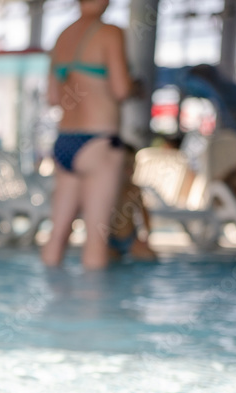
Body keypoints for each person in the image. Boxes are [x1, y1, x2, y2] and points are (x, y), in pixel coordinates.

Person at [41, 0, 133, 270]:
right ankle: (95, 311)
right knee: (96, 240)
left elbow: (53, 98)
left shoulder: (62, 35)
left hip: (65, 141)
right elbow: (121, 90)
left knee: (56, 236)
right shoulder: (110, 32)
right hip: (98, 142)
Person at [109, 145, 157, 262]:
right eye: (125, 165)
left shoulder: (134, 190)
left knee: (151, 258)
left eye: (133, 165)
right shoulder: (107, 190)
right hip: (109, 239)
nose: (130, 169)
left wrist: (147, 236)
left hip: (130, 238)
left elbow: (144, 213)